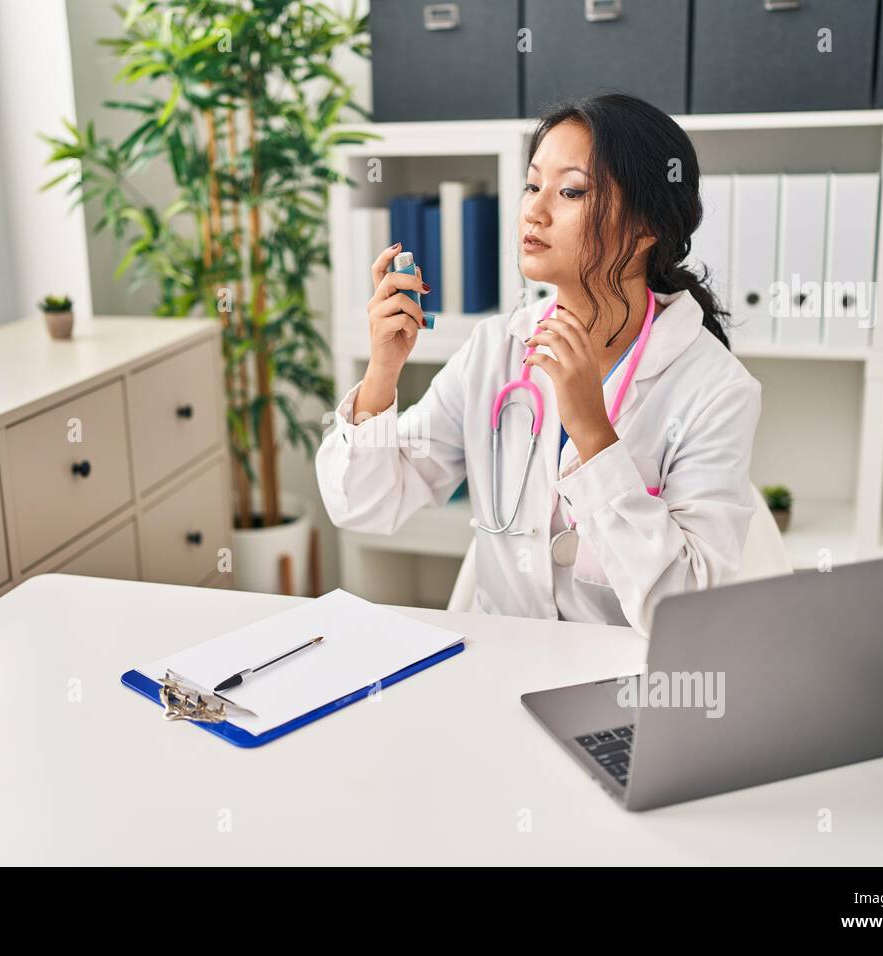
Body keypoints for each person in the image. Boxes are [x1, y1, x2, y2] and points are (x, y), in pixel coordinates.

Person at [315, 92, 762, 634]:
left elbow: (685, 608)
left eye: (571, 191)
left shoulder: (715, 389)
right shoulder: (495, 350)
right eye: (532, 185)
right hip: (498, 670)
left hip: (623, 679)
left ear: (647, 229)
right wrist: (381, 373)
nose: (534, 209)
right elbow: (365, 507)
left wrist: (594, 435)